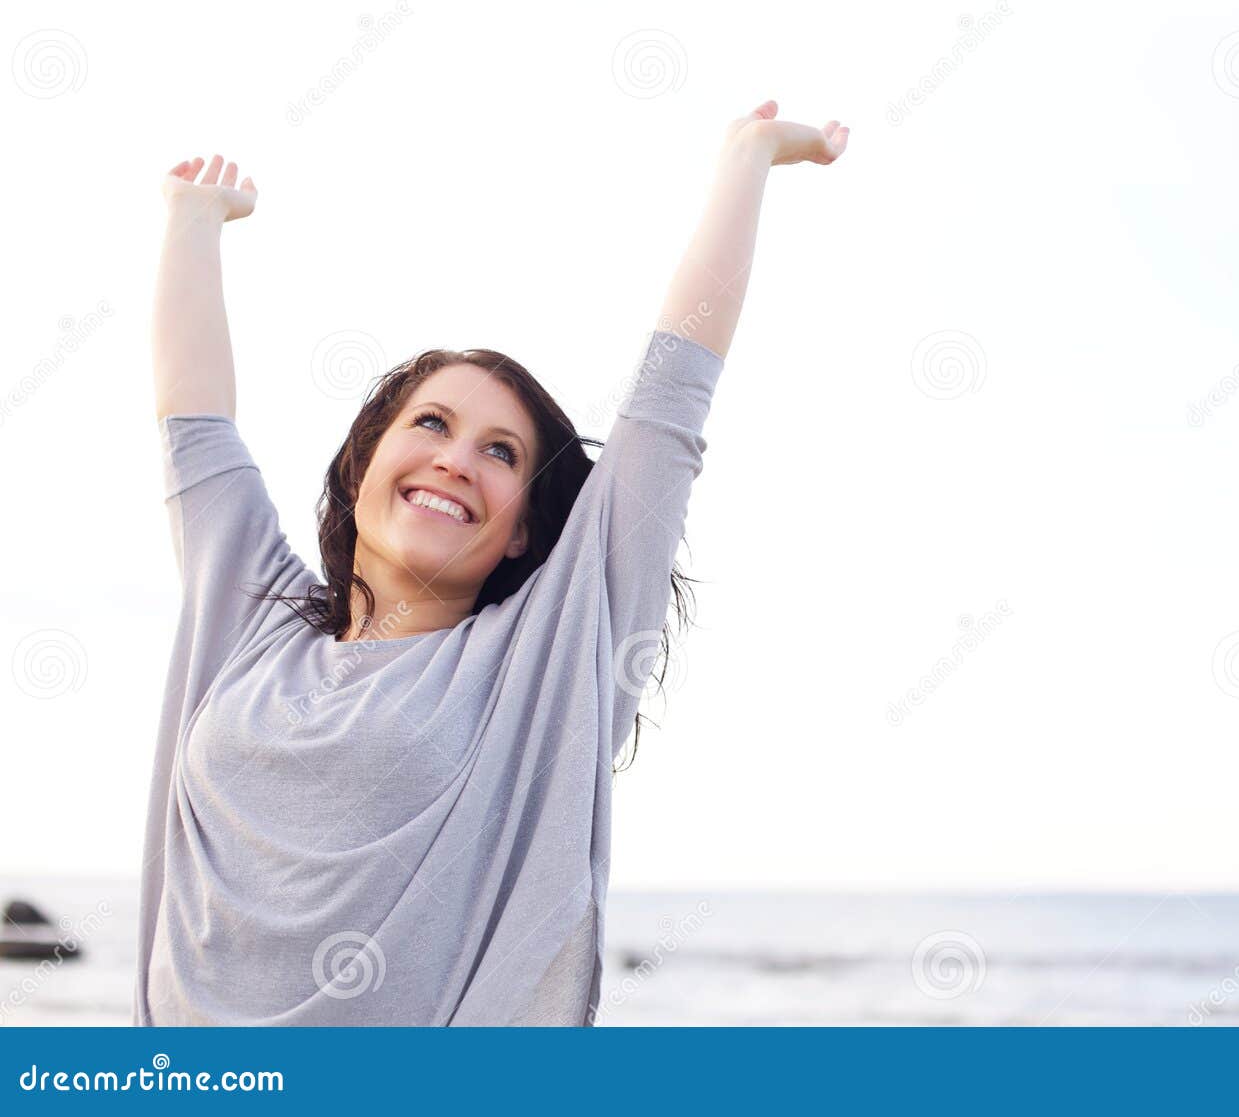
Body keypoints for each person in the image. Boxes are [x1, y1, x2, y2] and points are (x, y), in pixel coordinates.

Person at [135, 102, 848, 1025]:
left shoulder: (538, 662)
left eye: (500, 452)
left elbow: (669, 400)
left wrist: (747, 160)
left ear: (521, 531)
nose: (455, 459)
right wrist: (192, 220)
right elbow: (194, 422)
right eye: (431, 423)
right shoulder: (251, 622)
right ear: (362, 466)